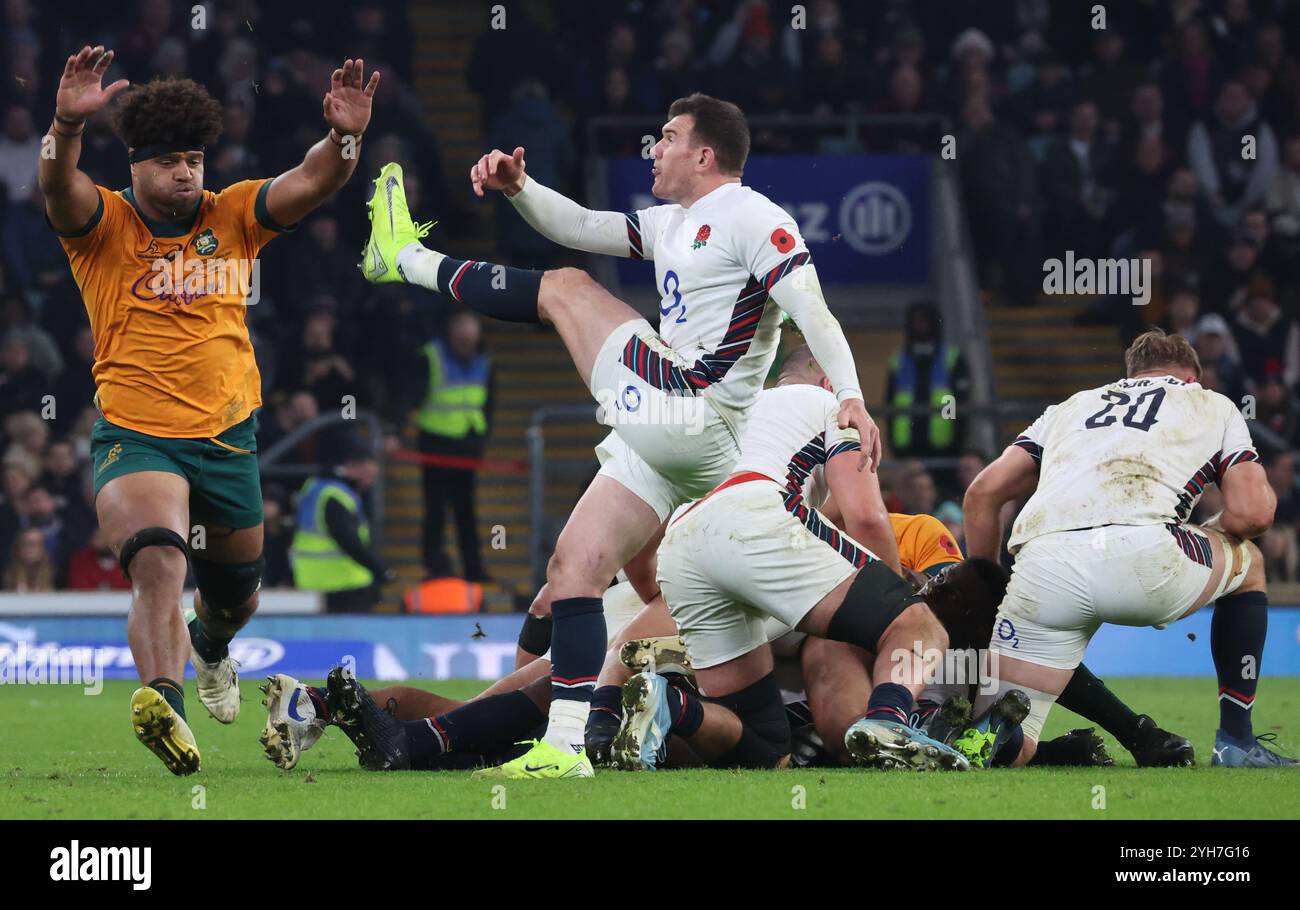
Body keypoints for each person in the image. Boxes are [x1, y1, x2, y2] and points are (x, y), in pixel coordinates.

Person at [359, 93, 880, 778]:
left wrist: (851, 396)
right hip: (665, 437)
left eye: (667, 137)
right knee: (573, 569)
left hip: (693, 410)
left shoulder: (754, 217)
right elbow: (578, 224)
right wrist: (521, 190)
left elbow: (811, 308)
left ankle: (404, 259)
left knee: (566, 289)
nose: (653, 148)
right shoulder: (673, 223)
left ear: (704, 154)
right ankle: (563, 750)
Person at [39, 44, 381, 774]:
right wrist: (66, 124)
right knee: (159, 557)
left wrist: (344, 137)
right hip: (138, 435)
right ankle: (166, 705)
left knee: (236, 600)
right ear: (136, 166)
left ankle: (210, 644)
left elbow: (317, 178)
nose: (186, 172)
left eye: (194, 157)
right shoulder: (105, 226)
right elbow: (57, 184)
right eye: (168, 161)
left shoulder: (234, 215)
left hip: (228, 436)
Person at [612, 346, 957, 771]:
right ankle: (888, 722)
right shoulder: (833, 405)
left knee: (767, 751)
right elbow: (866, 516)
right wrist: (893, 608)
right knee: (918, 626)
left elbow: (648, 526)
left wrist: (655, 593)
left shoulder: (728, 413)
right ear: (831, 382)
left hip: (684, 545)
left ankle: (673, 705)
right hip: (759, 516)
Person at [964, 329, 1297, 768]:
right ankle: (1235, 741)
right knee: (1250, 562)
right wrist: (1204, 530)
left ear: (1131, 373)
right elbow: (1253, 515)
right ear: (1192, 376)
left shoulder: (1068, 408)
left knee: (1011, 745)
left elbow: (982, 494)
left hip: (1044, 566)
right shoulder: (1211, 403)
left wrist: (986, 585)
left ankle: (1000, 736)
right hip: (1149, 558)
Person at [409, 308, 494, 582]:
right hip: (435, 444)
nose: (467, 341)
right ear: (451, 333)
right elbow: (412, 396)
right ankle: (433, 566)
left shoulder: (484, 363)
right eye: (462, 336)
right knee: (435, 509)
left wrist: (481, 440)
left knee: (466, 511)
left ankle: (473, 570)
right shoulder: (431, 356)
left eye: (471, 336)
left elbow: (488, 407)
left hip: (466, 447)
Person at [289, 437, 393, 614]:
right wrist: (382, 570)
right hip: (342, 584)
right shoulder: (336, 496)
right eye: (371, 472)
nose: (372, 480)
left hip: (313, 580)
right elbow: (349, 541)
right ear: (355, 465)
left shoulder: (316, 485)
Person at [885, 302, 969, 461]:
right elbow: (890, 403)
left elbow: (958, 401)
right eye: (915, 321)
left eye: (924, 320)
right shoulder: (898, 361)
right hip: (905, 441)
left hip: (944, 441)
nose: (919, 325)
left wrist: (957, 438)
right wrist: (892, 441)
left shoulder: (952, 357)